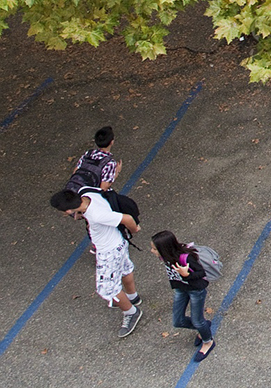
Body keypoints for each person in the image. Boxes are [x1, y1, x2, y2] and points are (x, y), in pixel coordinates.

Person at [49, 188, 142, 338]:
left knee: (107, 289)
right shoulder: (87, 194)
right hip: (118, 241)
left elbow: (127, 219)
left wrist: (134, 229)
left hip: (109, 251)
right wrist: (80, 214)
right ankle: (133, 297)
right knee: (125, 269)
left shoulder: (97, 215)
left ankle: (131, 312)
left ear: (67, 211)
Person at [150, 231, 215, 362]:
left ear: (164, 249)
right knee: (177, 320)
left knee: (197, 320)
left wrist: (186, 275)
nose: (152, 251)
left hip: (195, 290)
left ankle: (208, 341)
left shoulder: (186, 257)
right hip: (181, 288)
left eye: (154, 249)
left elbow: (201, 273)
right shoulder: (165, 257)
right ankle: (203, 327)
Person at [71, 126, 122, 192]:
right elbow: (103, 188)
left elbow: (75, 172)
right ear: (112, 142)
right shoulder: (110, 163)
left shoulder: (88, 153)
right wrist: (116, 173)